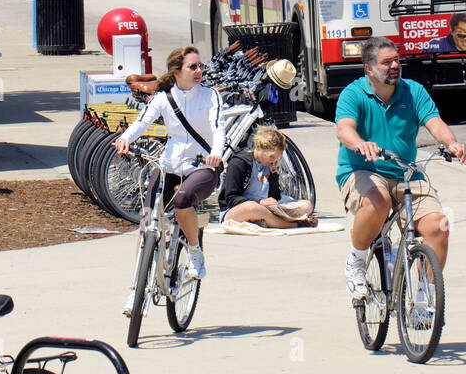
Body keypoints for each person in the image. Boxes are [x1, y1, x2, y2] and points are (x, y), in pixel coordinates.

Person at [335, 36, 466, 301]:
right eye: (387, 62)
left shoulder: (413, 91)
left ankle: (423, 293)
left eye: (397, 60)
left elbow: (434, 123)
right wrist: (361, 144)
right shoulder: (353, 94)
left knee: (439, 226)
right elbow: (344, 129)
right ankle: (356, 261)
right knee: (379, 200)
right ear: (369, 69)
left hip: (406, 172)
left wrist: (452, 144)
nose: (395, 65)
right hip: (363, 169)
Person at [115, 46, 224, 305]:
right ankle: (136, 289)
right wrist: (124, 138)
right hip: (170, 166)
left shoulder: (210, 97)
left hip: (202, 166)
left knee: (183, 199)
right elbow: (143, 121)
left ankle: (195, 252)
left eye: (200, 66)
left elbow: (218, 127)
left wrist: (216, 154)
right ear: (177, 71)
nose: (199, 71)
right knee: (146, 221)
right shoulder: (163, 97)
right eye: (193, 67)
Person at [219, 124, 316, 229]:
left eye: (275, 158)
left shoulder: (267, 165)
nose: (273, 160)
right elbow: (231, 199)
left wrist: (274, 178)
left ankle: (266, 221)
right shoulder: (239, 163)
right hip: (237, 209)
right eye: (271, 156)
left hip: (265, 207)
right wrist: (260, 202)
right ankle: (291, 224)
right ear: (261, 148)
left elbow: (275, 197)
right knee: (253, 208)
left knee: (307, 205)